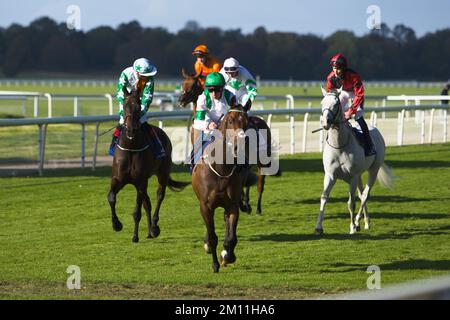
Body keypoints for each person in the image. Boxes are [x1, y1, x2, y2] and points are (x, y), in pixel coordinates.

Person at [109, 57, 165, 159]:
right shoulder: (126, 73)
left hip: (139, 102)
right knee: (122, 122)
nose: (147, 77)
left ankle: (158, 148)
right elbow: (120, 92)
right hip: (127, 101)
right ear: (137, 72)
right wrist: (123, 111)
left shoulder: (150, 80)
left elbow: (147, 99)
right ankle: (113, 146)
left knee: (143, 122)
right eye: (145, 75)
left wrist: (139, 113)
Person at [326, 53, 376, 156]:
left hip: (356, 95)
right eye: (334, 68)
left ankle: (369, 145)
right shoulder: (330, 78)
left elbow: (360, 94)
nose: (336, 71)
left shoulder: (354, 76)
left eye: (338, 68)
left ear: (344, 68)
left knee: (358, 117)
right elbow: (330, 95)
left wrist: (350, 112)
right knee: (335, 113)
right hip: (343, 93)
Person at [190, 72, 236, 169]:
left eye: (217, 90)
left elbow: (236, 116)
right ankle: (192, 166)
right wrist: (208, 125)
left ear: (222, 88)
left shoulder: (230, 96)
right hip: (208, 129)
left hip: (227, 128)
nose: (214, 94)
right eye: (210, 90)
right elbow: (198, 121)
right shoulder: (202, 98)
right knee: (196, 150)